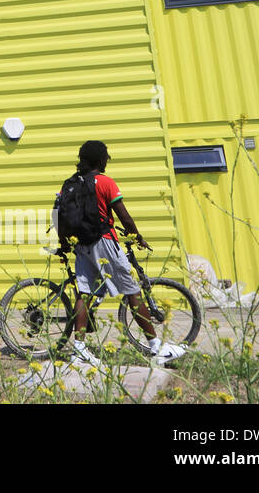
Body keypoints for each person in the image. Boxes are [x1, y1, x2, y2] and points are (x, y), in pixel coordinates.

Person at [55, 140, 186, 368]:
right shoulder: (105, 183)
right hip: (104, 242)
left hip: (82, 245)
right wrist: (138, 237)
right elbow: (123, 216)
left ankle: (79, 350)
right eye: (105, 158)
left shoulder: (70, 184)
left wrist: (64, 242)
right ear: (99, 160)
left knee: (84, 294)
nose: (107, 161)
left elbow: (58, 214)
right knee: (133, 292)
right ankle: (157, 347)